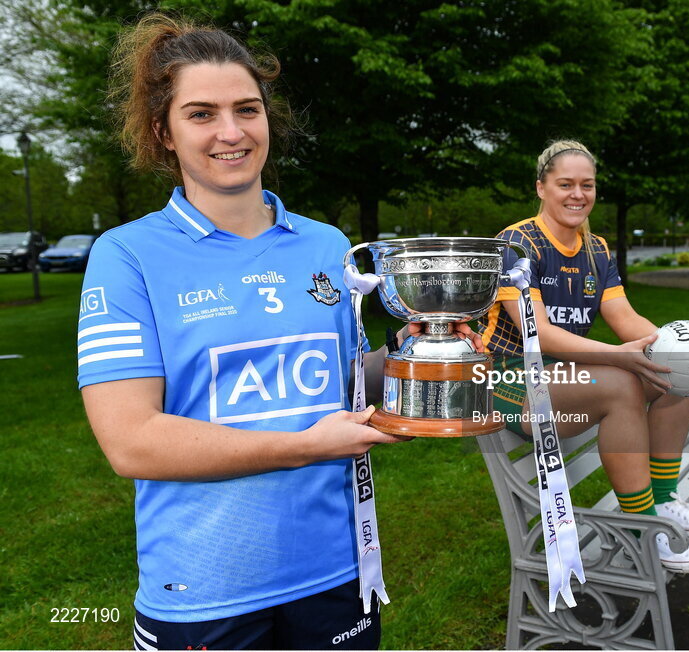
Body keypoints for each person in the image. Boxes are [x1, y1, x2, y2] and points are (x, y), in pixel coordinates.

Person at [78, 13, 481, 650]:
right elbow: (133, 442)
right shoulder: (127, 254)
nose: (231, 132)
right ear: (163, 131)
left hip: (336, 571)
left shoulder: (326, 245)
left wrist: (417, 351)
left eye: (248, 108)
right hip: (204, 590)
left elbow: (342, 379)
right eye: (201, 114)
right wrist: (307, 445)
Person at [478, 140, 689, 573]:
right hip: (508, 382)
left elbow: (624, 317)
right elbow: (544, 335)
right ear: (541, 188)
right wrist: (618, 356)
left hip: (563, 381)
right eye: (565, 184)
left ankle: (664, 502)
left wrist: (676, 347)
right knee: (619, 382)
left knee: (675, 373)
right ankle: (642, 530)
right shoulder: (515, 244)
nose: (578, 194)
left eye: (587, 185)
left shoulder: (596, 249)